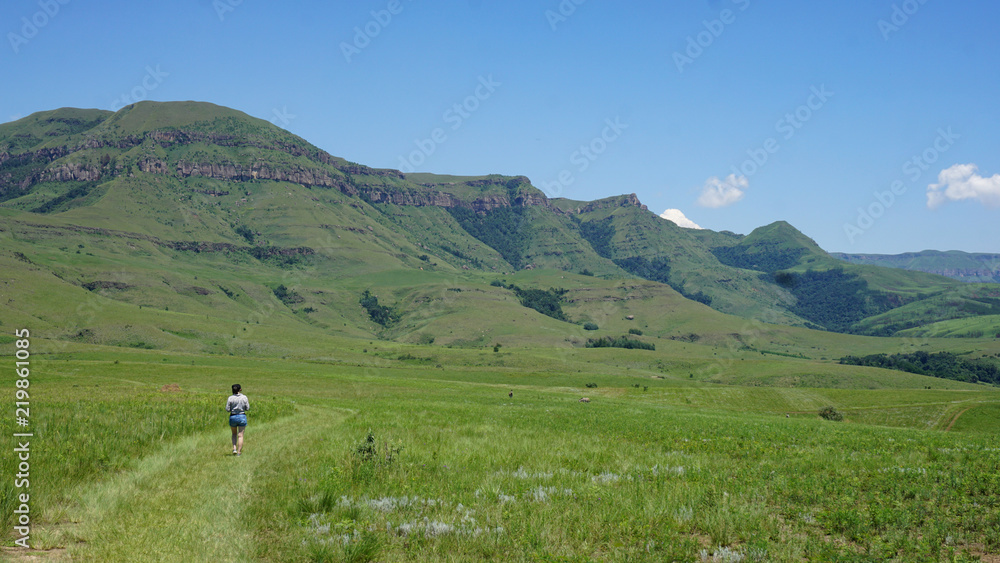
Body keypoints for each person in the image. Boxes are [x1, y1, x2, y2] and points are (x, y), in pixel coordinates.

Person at [226, 383, 249, 456]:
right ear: (240, 389)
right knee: (240, 435)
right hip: (242, 416)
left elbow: (227, 409)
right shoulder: (244, 397)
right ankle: (239, 452)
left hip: (233, 416)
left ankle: (234, 448)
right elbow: (247, 408)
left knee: (234, 434)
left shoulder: (230, 398)